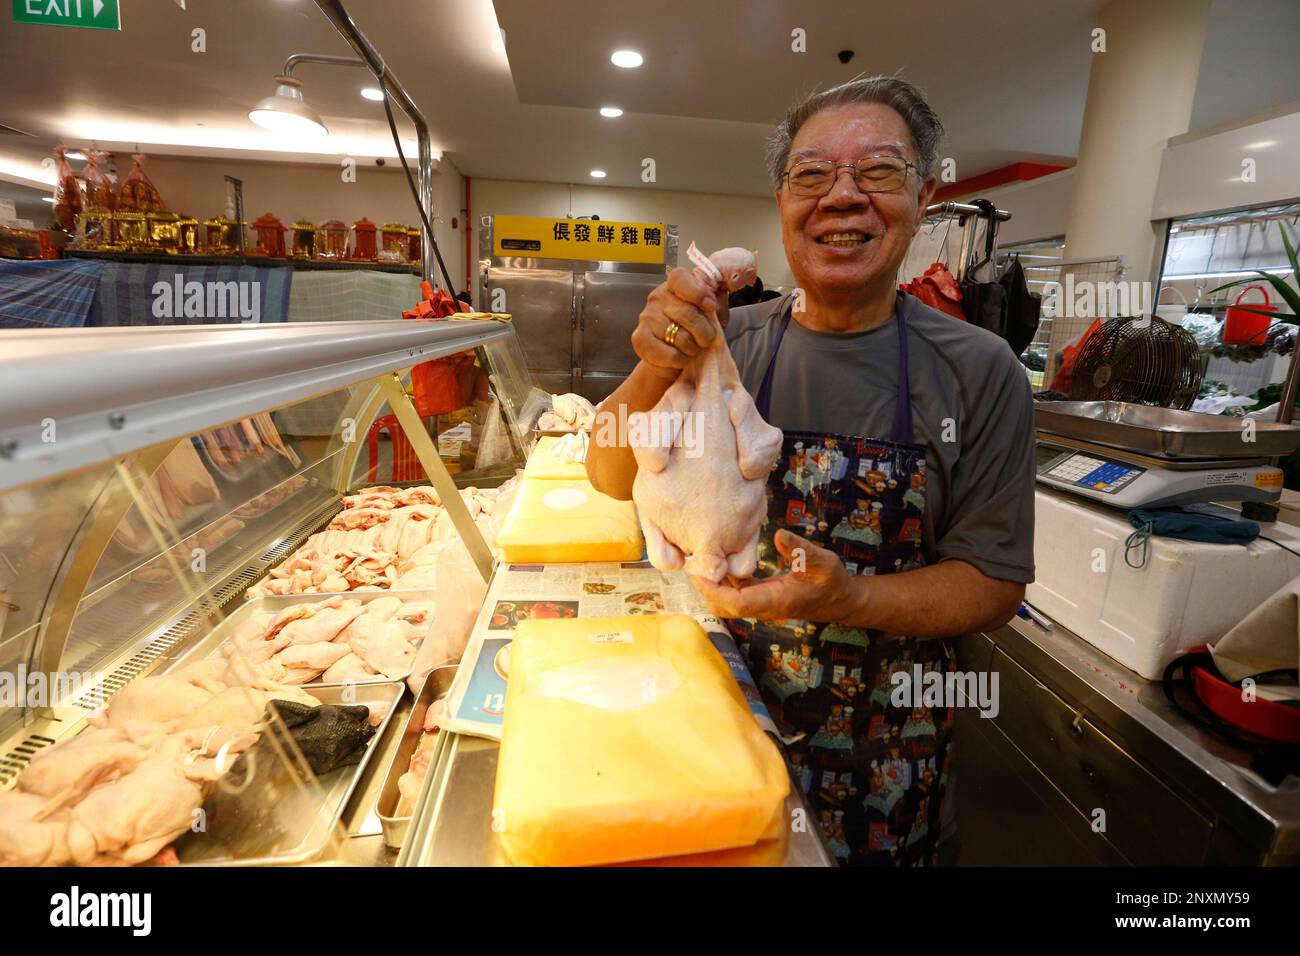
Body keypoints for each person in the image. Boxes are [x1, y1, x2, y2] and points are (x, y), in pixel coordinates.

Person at [585, 75, 1036, 865]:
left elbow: (994, 584)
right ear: (783, 197)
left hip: (886, 753)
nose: (843, 197)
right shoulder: (731, 341)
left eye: (880, 172)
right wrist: (653, 365)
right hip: (716, 720)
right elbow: (609, 472)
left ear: (925, 195)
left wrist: (853, 597)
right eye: (812, 174)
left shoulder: (979, 369)